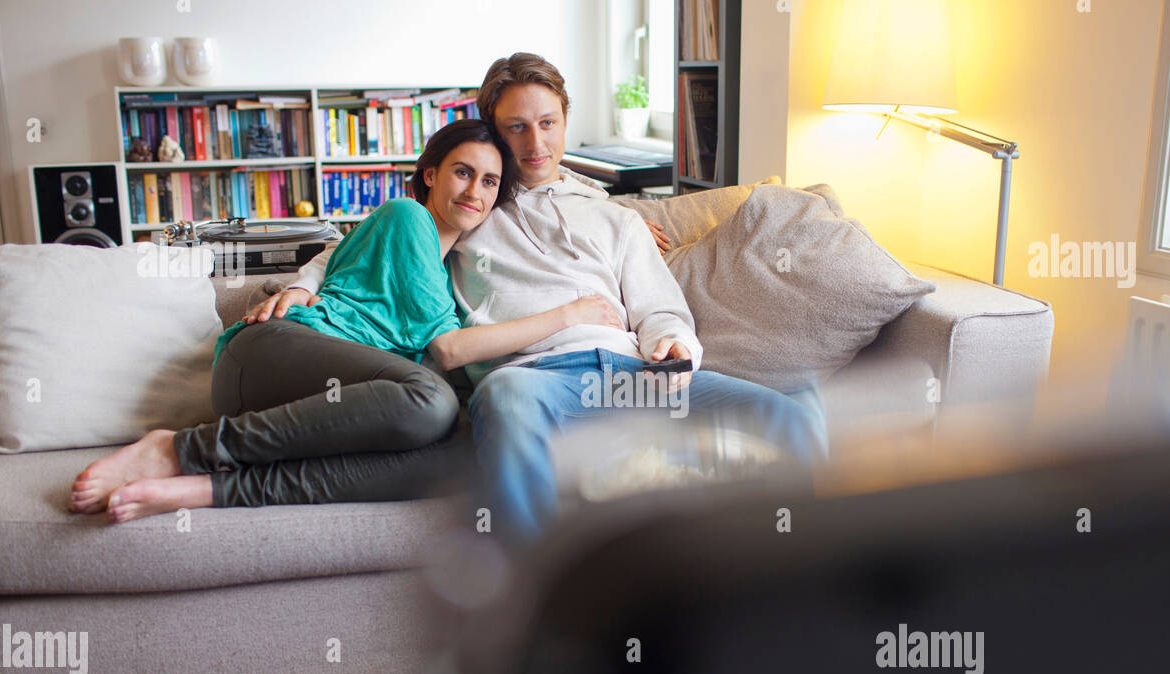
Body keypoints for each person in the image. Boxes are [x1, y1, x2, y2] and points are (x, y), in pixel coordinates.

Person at [283, 54, 828, 549]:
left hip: (633, 373)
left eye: (547, 124)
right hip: (532, 377)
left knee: (794, 408)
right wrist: (301, 283)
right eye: (515, 128)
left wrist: (671, 344)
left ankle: (813, 566)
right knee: (506, 397)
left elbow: (660, 307)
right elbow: (364, 243)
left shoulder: (614, 216)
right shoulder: (473, 204)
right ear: (494, 133)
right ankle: (536, 593)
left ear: (566, 121)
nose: (535, 143)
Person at [68, 118, 623, 522]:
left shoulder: (451, 274)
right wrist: (572, 313)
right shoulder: (408, 219)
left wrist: (620, 218)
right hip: (272, 354)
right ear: (430, 175)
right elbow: (450, 351)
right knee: (431, 399)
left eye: (489, 182)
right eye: (462, 172)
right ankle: (176, 448)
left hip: (327, 407)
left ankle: (206, 489)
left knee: (463, 451)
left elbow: (334, 258)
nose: (474, 191)